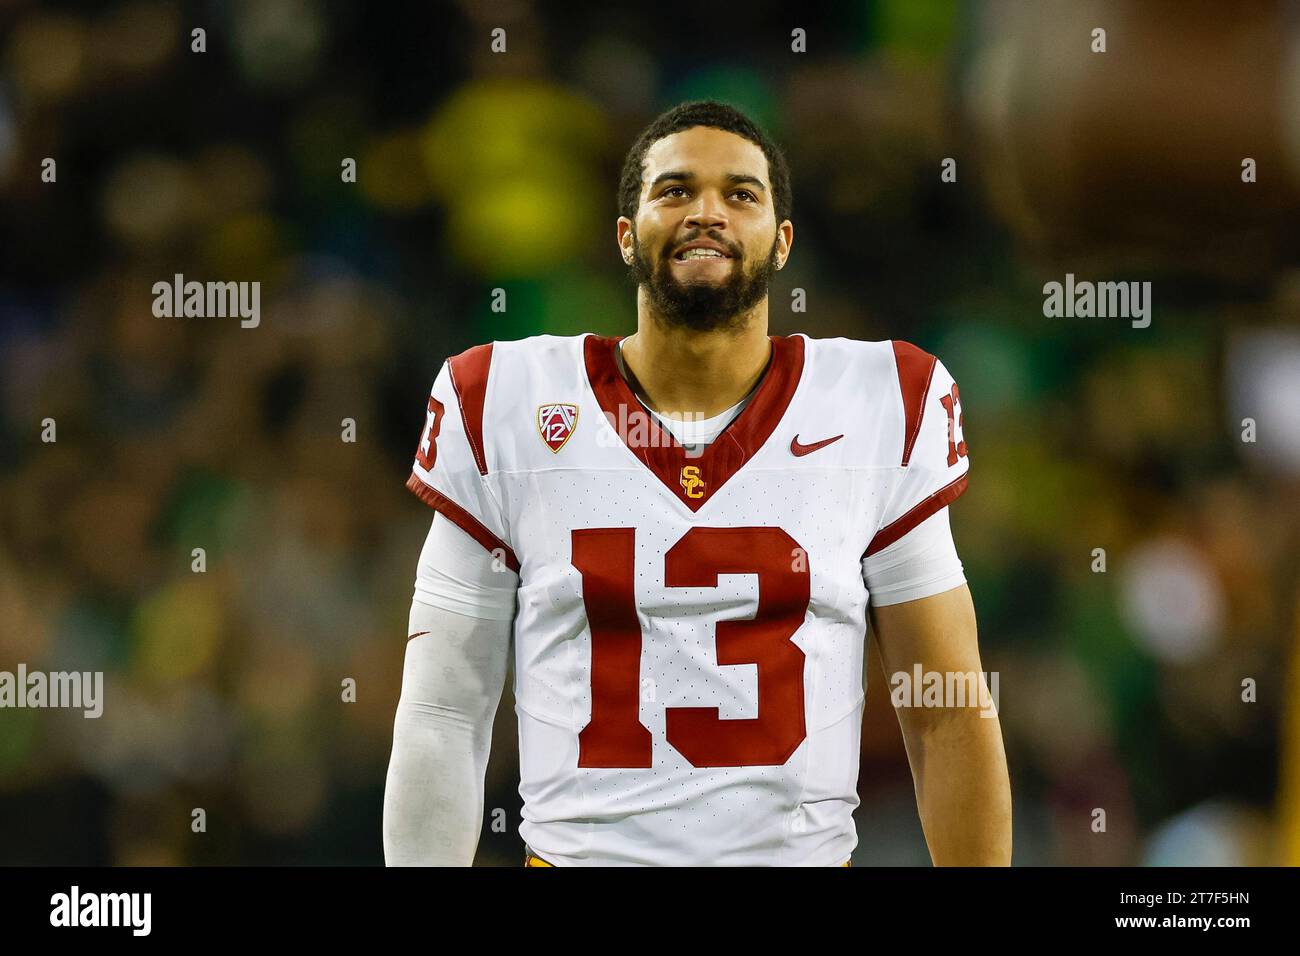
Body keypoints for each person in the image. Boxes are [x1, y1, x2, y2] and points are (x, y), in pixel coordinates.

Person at [383, 100, 1011, 866]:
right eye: (674, 190)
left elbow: (944, 711)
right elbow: (445, 709)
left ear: (782, 243)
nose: (706, 212)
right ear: (625, 235)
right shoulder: (504, 399)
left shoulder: (880, 402)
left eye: (740, 194)